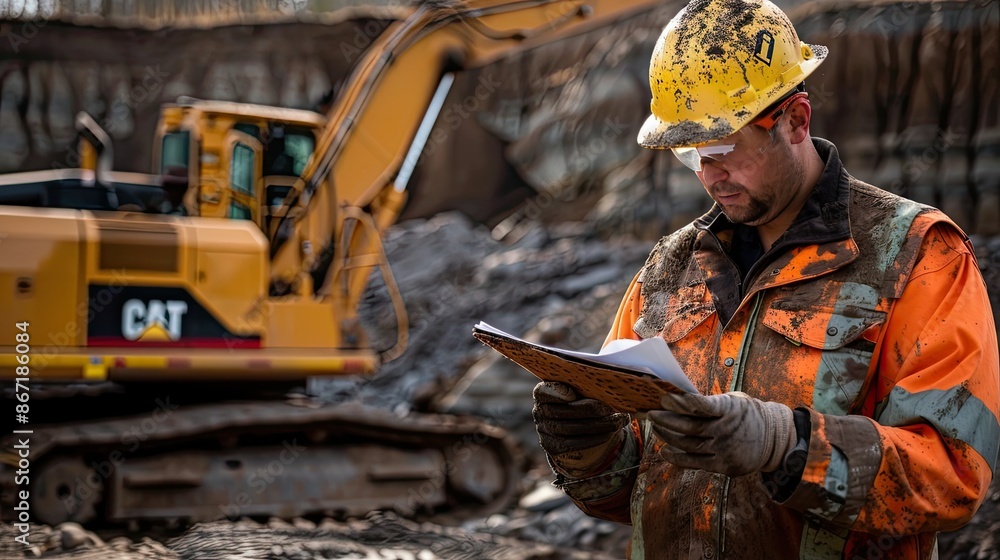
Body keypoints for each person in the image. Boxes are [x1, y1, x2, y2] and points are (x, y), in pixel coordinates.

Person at [531, 0, 1000, 558]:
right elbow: (634, 489)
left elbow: (953, 474)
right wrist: (588, 446)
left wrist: (789, 446)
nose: (709, 176)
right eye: (693, 155)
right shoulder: (668, 270)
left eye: (724, 149)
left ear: (796, 120)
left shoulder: (915, 255)